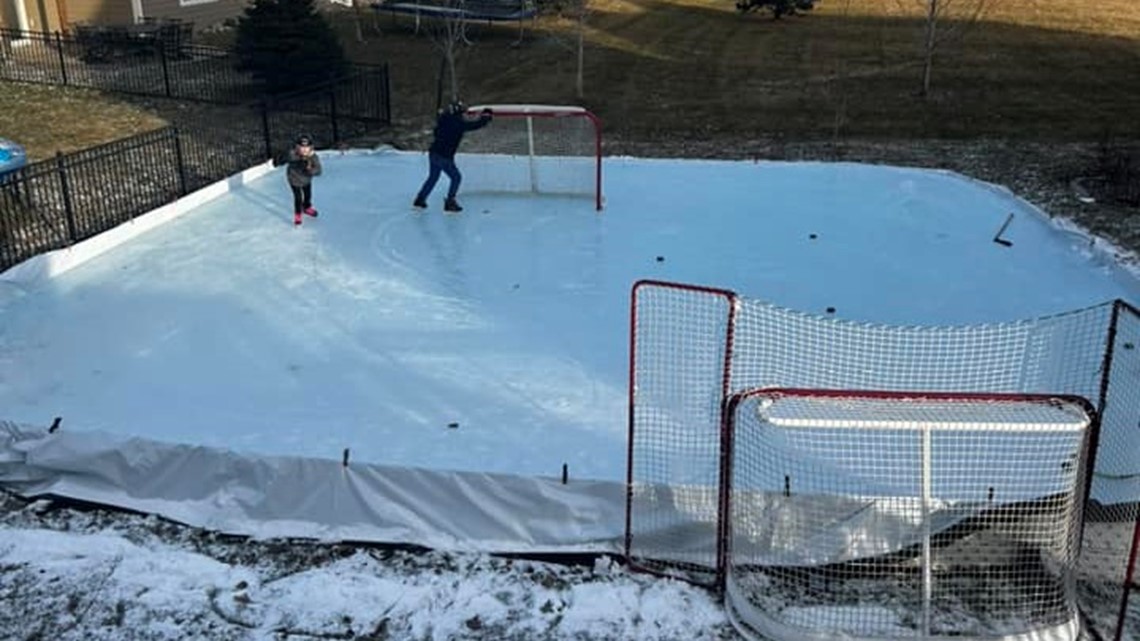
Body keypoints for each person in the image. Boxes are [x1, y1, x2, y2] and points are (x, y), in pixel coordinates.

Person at [413, 100, 493, 213]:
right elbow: (474, 125)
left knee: (433, 177)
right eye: (462, 113)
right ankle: (450, 201)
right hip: (444, 157)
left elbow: (437, 131)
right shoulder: (458, 123)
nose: (464, 115)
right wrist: (486, 117)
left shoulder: (444, 119)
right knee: (456, 177)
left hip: (434, 153)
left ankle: (420, 199)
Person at [286, 134, 322, 226]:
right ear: (297, 147)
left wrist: (310, 170)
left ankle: (307, 207)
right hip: (294, 180)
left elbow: (319, 170)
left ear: (311, 148)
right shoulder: (293, 154)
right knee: (298, 198)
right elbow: (292, 160)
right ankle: (298, 214)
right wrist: (301, 162)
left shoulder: (313, 157)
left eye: (307, 147)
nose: (304, 150)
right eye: (302, 147)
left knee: (308, 195)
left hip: (306, 180)